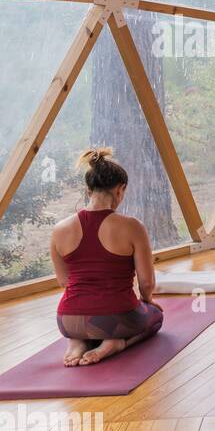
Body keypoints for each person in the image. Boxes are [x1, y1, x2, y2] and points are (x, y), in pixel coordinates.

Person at [50, 148, 164, 367]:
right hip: (117, 317)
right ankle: (117, 343)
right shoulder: (132, 227)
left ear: (88, 190)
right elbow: (147, 282)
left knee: (85, 322)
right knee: (155, 318)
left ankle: (77, 342)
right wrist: (148, 302)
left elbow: (64, 281)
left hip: (67, 321)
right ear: (120, 190)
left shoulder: (59, 229)